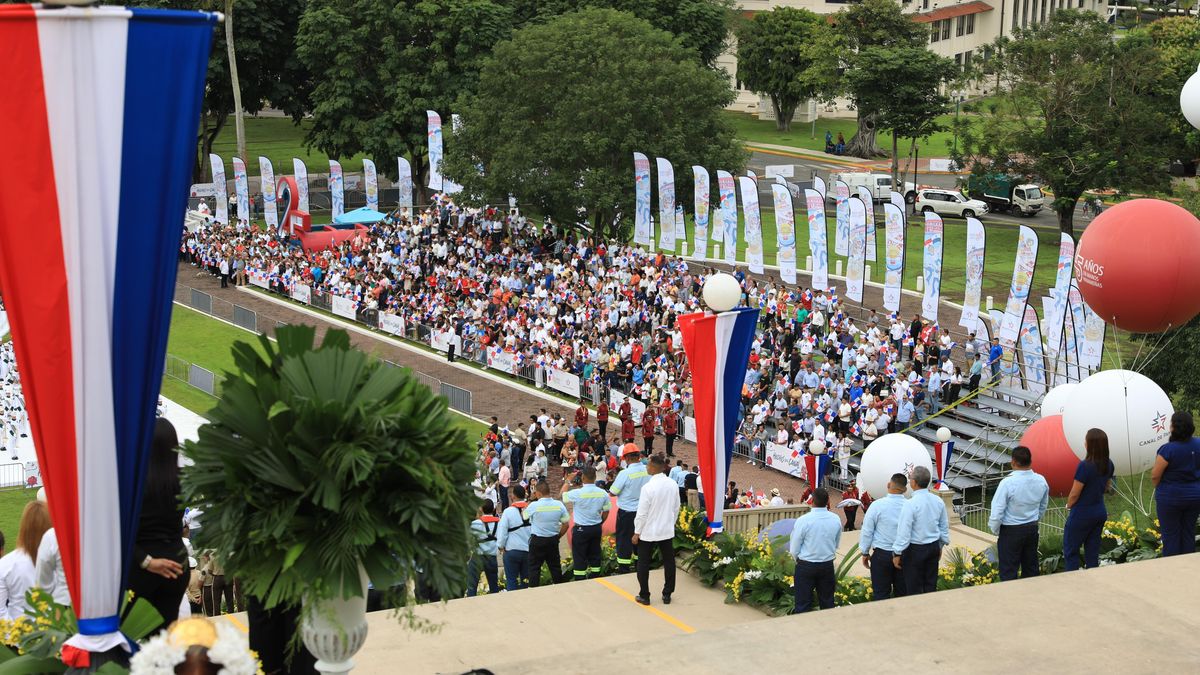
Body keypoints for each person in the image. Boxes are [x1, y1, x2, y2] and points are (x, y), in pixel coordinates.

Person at [128, 419, 189, 632]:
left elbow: (121, 532)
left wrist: (146, 562)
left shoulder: (133, 482)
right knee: (164, 638)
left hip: (140, 567)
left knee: (134, 637)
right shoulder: (183, 480)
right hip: (176, 563)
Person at [988, 446, 1049, 581]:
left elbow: (997, 510)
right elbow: (1043, 505)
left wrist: (995, 529)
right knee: (1031, 568)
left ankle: (1011, 599)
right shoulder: (1041, 480)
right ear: (1030, 461)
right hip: (1032, 528)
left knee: (1008, 570)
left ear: (1013, 462)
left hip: (1011, 530)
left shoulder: (1008, 482)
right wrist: (1035, 519)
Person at [892, 466, 949, 595]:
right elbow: (943, 527)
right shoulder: (938, 501)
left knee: (914, 588)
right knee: (930, 586)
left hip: (915, 550)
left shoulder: (910, 504)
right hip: (933, 546)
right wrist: (940, 545)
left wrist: (897, 553)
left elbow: (904, 532)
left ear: (914, 482)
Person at [633, 455, 681, 605]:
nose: (646, 467)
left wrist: (637, 532)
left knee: (643, 562)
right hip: (666, 530)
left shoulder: (648, 487)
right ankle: (667, 594)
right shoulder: (672, 484)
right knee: (669, 562)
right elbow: (676, 507)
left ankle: (644, 595)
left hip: (648, 531)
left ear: (653, 468)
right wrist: (670, 523)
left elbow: (642, 513)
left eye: (648, 465)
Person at [1064, 429, 1115, 570]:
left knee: (1071, 551)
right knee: (1092, 553)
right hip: (1099, 511)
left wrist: (1068, 505)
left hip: (1081, 513)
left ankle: (1073, 583)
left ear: (1090, 445)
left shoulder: (1084, 466)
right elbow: (1107, 486)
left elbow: (1075, 493)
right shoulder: (1109, 464)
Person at [1151, 411, 1200, 556]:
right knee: (1188, 533)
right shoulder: (1198, 444)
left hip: (1170, 498)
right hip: (1195, 497)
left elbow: (1155, 475)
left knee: (1171, 536)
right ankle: (1188, 570)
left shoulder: (1167, 450)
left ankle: (1172, 572)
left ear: (1173, 427)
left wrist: (1161, 488)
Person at [788, 487, 841, 613]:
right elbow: (836, 543)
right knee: (827, 603)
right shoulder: (835, 519)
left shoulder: (803, 520)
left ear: (812, 501)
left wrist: (799, 560)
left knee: (802, 604)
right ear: (827, 501)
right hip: (826, 564)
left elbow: (794, 547)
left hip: (806, 565)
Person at [859, 473, 907, 601]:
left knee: (880, 596)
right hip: (904, 555)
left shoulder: (877, 505)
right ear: (905, 489)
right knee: (903, 595)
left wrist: (864, 551)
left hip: (881, 555)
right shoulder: (910, 506)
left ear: (888, 485)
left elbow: (867, 531)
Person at [0, 501, 49, 619]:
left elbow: (1, 612)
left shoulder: (6, 564)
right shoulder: (60, 560)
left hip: (20, 632)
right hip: (52, 632)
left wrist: (14, 635)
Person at [563, 467, 610, 580]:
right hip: (596, 528)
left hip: (581, 529)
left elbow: (563, 496)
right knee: (595, 554)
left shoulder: (577, 493)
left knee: (579, 556)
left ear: (583, 477)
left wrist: (567, 481)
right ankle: (596, 577)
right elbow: (606, 511)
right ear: (595, 477)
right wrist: (599, 522)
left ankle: (580, 581)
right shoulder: (603, 493)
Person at [610, 445, 651, 572]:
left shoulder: (625, 473)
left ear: (626, 458)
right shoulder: (648, 470)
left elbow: (613, 492)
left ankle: (624, 568)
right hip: (644, 511)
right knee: (642, 538)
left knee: (624, 540)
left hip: (627, 513)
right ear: (639, 456)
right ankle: (641, 566)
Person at [525, 481, 569, 588]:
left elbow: (524, 516)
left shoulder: (534, 505)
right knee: (555, 568)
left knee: (534, 568)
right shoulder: (559, 505)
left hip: (537, 541)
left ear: (538, 493)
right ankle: (560, 590)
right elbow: (566, 524)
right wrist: (558, 536)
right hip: (552, 540)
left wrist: (530, 500)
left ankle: (533, 591)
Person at [497, 485, 532, 591]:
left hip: (512, 551)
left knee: (511, 581)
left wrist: (500, 546)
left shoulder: (508, 511)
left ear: (513, 496)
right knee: (526, 581)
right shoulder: (531, 509)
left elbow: (502, 532)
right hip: (528, 550)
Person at [466, 499, 500, 596]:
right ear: (493, 509)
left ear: (481, 509)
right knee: (494, 587)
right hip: (492, 557)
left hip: (478, 557)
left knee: (472, 587)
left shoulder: (476, 523)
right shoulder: (498, 522)